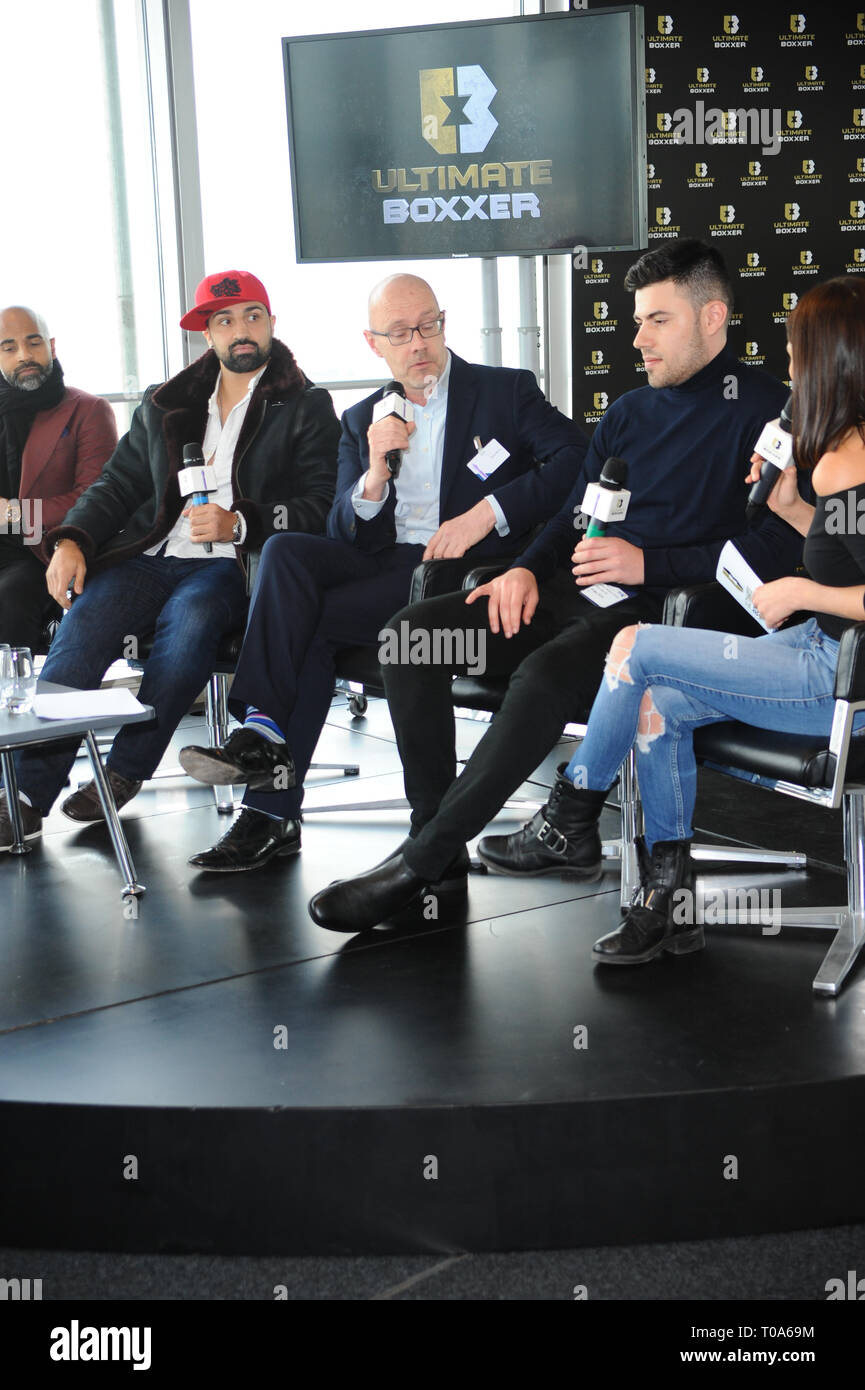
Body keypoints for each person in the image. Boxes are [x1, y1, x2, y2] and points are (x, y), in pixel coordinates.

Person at [308, 238, 805, 934]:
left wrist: (648, 565)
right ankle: (438, 843)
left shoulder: (767, 414)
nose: (637, 339)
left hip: (663, 618)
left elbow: (771, 550)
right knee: (409, 638)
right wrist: (523, 570)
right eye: (636, 321)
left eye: (656, 321)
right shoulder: (630, 411)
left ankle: (415, 865)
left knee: (543, 674)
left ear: (712, 316)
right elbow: (575, 513)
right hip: (576, 593)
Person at [481, 273, 865, 965]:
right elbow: (847, 553)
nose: (785, 362)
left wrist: (801, 594)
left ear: (829, 355)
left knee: (634, 645)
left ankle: (569, 815)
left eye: (793, 347)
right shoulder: (839, 451)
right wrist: (783, 507)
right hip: (817, 654)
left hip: (835, 678)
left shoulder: (847, 455)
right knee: (656, 705)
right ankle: (666, 899)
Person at [178, 272, 587, 872]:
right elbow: (345, 529)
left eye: (428, 326)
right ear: (374, 343)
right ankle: (264, 733)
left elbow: (576, 457)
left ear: (443, 323)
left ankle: (270, 807)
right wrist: (374, 472)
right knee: (289, 550)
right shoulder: (364, 416)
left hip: (461, 569)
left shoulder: (505, 391)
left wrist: (486, 514)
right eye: (400, 332)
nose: (418, 342)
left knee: (311, 627)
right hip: (386, 562)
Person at [0, 269, 339, 849]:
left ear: (272, 323)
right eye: (224, 320)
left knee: (190, 628)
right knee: (80, 633)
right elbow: (116, 483)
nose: (240, 332)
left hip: (229, 565)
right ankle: (28, 797)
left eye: (252, 316)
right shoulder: (169, 403)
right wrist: (72, 540)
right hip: (149, 556)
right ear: (206, 333)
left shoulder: (305, 405)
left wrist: (242, 522)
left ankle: (124, 771)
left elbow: (322, 506)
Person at [0, 305, 117, 650]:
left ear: (51, 346)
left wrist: (16, 514)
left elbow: (97, 495)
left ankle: (12, 697)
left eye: (33, 343)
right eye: (9, 347)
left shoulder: (88, 410)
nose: (24, 355)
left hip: (41, 549)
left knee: (11, 597)